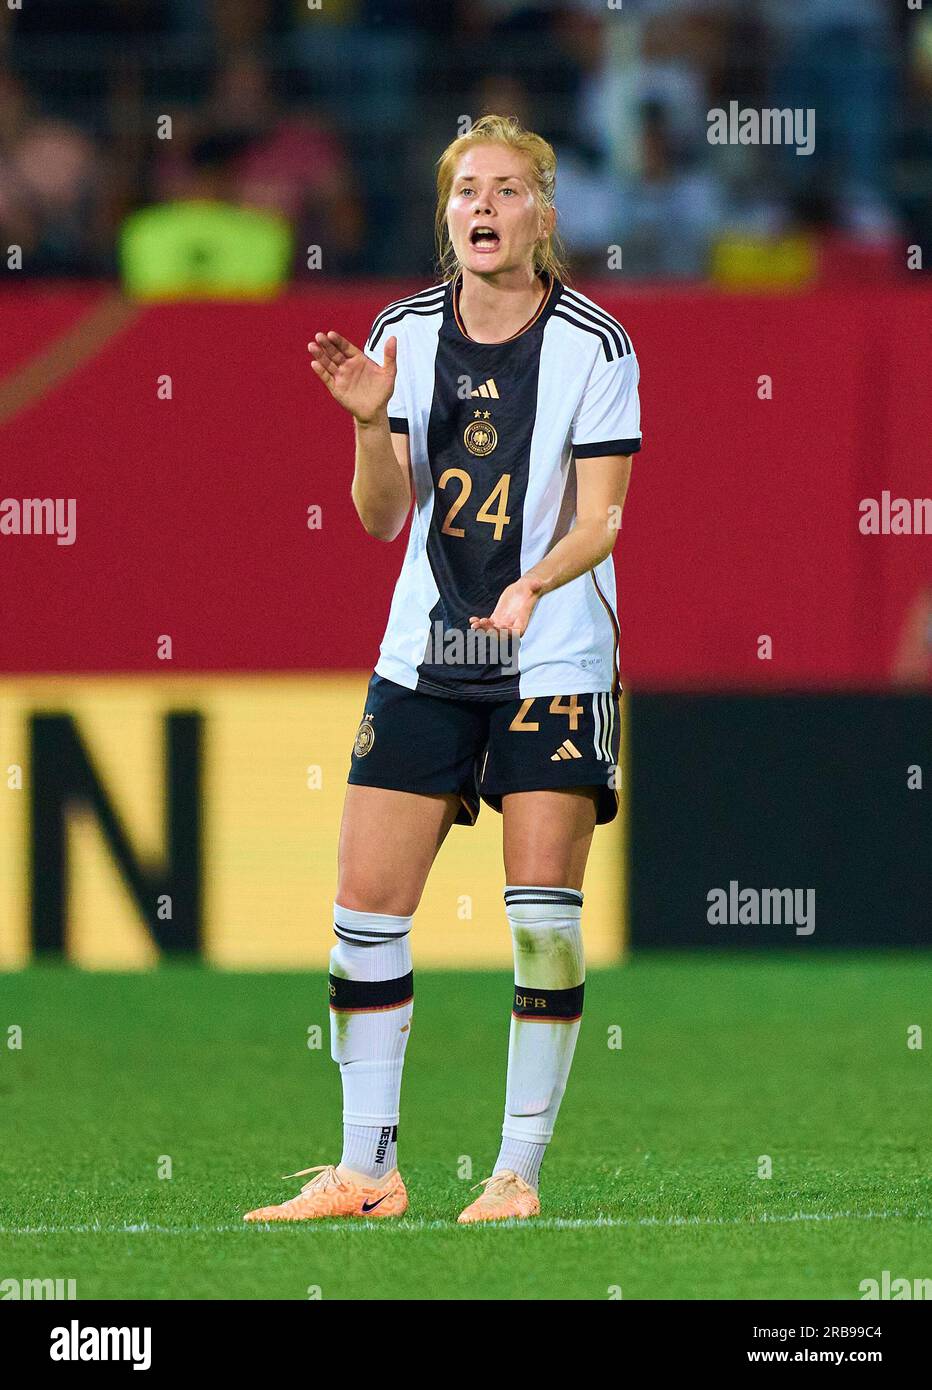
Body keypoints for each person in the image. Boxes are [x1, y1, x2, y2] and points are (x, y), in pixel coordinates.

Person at [244, 114, 642, 1226]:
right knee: (363, 916)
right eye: (466, 188)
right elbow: (381, 520)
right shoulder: (402, 335)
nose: (482, 206)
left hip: (551, 653)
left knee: (539, 918)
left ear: (542, 216)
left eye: (507, 189)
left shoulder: (596, 346)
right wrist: (371, 426)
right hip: (424, 654)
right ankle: (366, 1169)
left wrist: (530, 586)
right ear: (445, 213)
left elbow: (603, 522)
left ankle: (513, 1171)